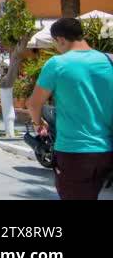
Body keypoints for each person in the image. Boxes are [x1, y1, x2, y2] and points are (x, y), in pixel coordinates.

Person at [27, 18, 113, 200]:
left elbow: (33, 104)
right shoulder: (109, 61)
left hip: (74, 151)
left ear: (61, 39)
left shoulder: (57, 64)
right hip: (106, 151)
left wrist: (38, 123)